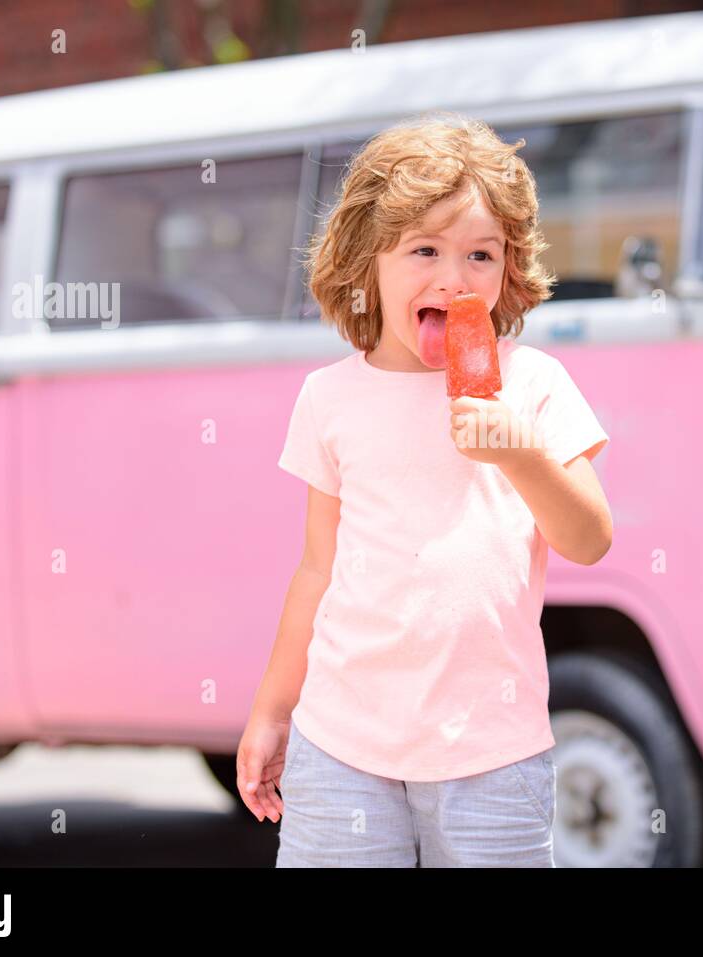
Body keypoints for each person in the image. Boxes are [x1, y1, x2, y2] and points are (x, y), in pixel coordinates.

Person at [239, 113, 613, 867]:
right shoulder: (330, 398)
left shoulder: (532, 383)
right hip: (343, 741)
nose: (455, 276)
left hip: (492, 750)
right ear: (364, 263)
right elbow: (317, 571)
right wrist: (272, 710)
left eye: (481, 253)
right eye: (424, 251)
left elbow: (590, 537)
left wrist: (520, 453)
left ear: (509, 267)